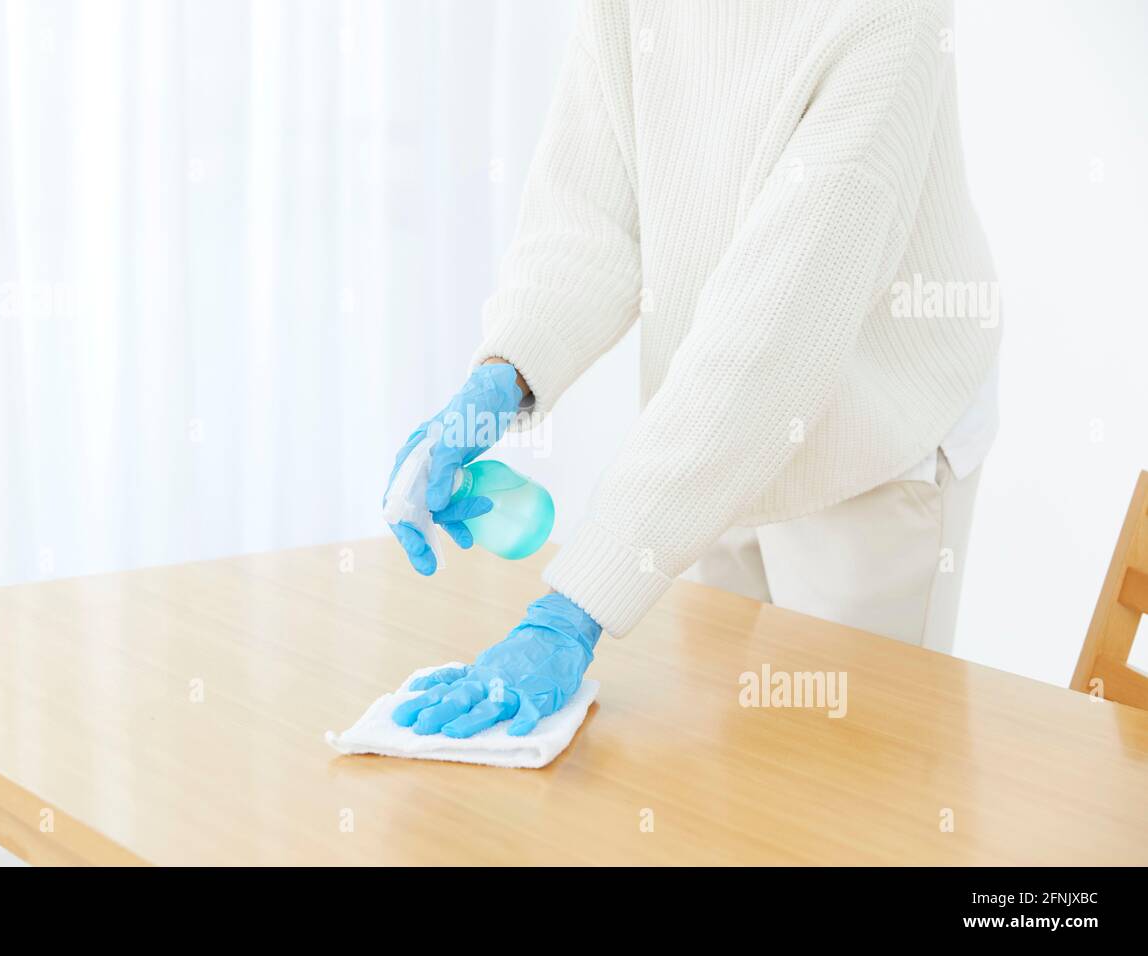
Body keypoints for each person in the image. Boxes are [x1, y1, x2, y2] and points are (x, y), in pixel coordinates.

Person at [385, 0, 1000, 740]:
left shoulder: (884, 15)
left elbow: (780, 330)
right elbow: (590, 215)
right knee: (723, 772)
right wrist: (504, 376)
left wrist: (571, 611)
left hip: (871, 441)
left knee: (853, 785)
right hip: (711, 430)